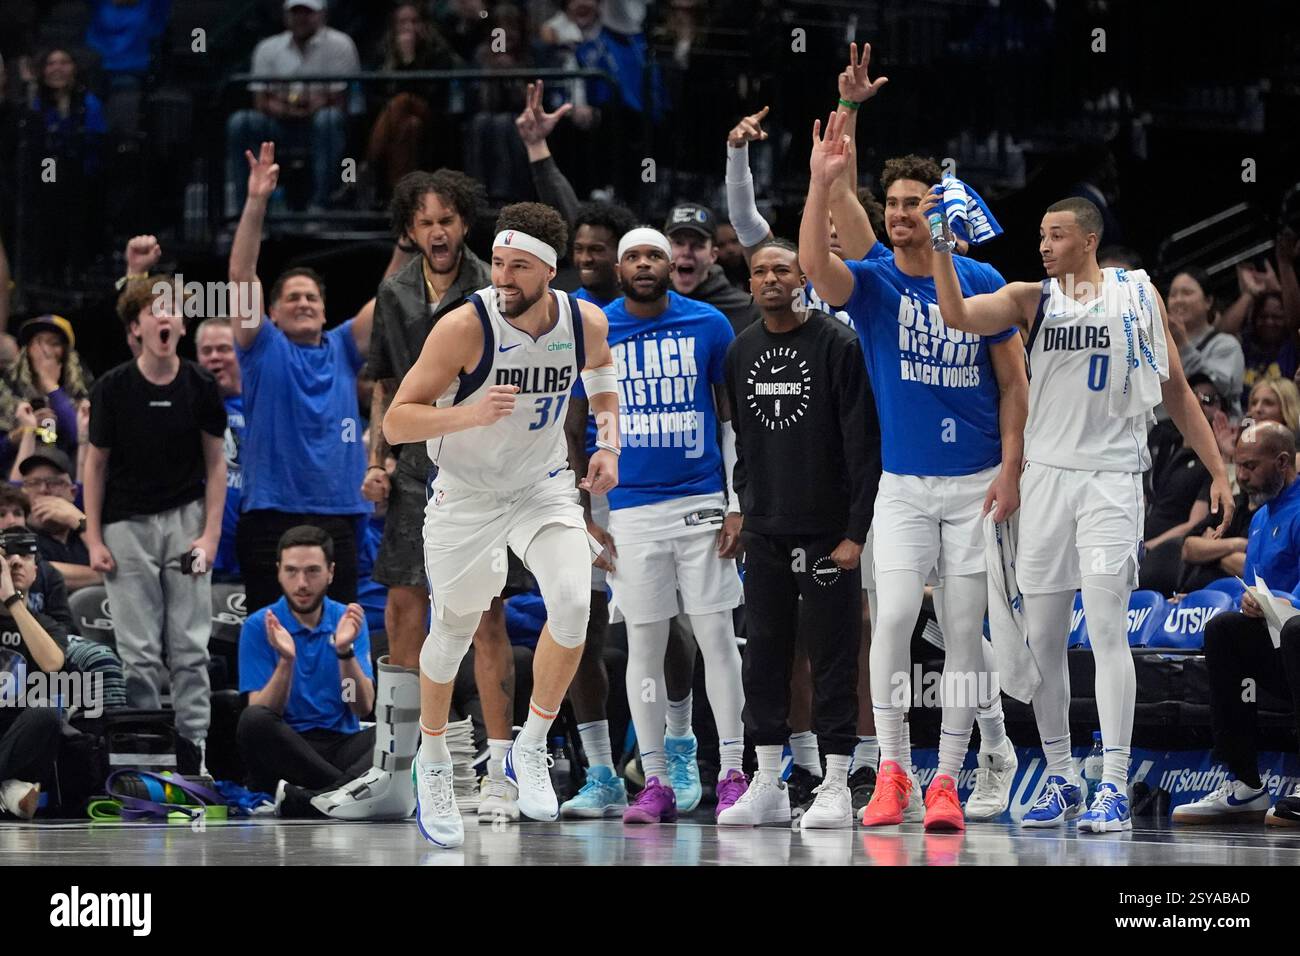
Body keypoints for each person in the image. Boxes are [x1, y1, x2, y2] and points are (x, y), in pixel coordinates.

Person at [931, 194, 1232, 833]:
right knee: (1043, 641)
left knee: (1104, 628)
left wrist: (1217, 468)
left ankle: (1114, 782)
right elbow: (955, 312)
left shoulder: (1138, 296)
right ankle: (1065, 776)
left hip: (1111, 482)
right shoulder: (1030, 299)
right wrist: (940, 243)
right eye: (1040, 234)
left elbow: (1176, 390)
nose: (1044, 245)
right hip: (1045, 479)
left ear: (1088, 240)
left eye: (1056, 234)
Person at [802, 109, 1025, 831]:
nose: (899, 215)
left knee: (962, 635)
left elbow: (1015, 383)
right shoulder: (872, 286)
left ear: (941, 210)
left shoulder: (983, 277)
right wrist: (820, 182)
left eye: (913, 204)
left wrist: (1012, 470)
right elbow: (813, 265)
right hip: (901, 487)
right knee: (894, 619)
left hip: (974, 485)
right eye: (892, 204)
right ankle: (893, 770)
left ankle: (949, 781)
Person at [383, 201, 619, 848]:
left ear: (549, 271)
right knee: (455, 627)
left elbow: (601, 377)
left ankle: (531, 745)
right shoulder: (464, 326)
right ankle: (433, 759)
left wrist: (607, 444)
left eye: (519, 266)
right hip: (464, 497)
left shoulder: (583, 318)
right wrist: (470, 413)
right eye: (499, 263)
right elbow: (396, 421)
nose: (502, 276)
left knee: (572, 604)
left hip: (541, 489)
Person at [316, 169, 523, 823]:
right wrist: (375, 460)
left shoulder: (495, 290)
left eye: (448, 219)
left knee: (484, 619)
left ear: (465, 225)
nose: (438, 231)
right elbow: (381, 386)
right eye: (425, 221)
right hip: (411, 473)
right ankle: (402, 770)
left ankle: (500, 774)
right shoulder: (394, 292)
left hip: (482, 474)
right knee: (404, 616)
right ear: (410, 230)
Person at [717, 238, 880, 828]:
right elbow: (744, 445)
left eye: (781, 269)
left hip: (828, 533)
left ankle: (837, 781)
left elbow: (864, 446)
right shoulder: (741, 350)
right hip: (765, 531)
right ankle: (766, 781)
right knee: (763, 656)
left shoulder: (839, 344)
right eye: (759, 271)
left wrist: (855, 533)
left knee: (833, 656)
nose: (769, 279)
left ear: (803, 277)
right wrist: (746, 508)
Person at [594, 228, 748, 825]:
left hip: (702, 500)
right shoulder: (596, 327)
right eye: (633, 255)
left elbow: (732, 420)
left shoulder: (710, 324)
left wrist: (736, 500)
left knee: (716, 640)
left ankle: (733, 771)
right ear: (618, 267)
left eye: (654, 255)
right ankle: (654, 778)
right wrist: (590, 517)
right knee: (645, 647)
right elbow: (578, 422)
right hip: (630, 510)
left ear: (671, 266)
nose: (644, 264)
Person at [83, 275, 227, 776]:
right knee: (139, 653)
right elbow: (94, 464)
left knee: (189, 649)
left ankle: (195, 756)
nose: (164, 318)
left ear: (181, 325)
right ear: (137, 325)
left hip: (186, 522)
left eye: (172, 311)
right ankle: (145, 755)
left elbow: (215, 465)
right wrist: (94, 536)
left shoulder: (201, 385)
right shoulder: (113, 387)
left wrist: (209, 536)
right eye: (153, 310)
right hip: (127, 526)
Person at [228, 141, 374, 612]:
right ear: (271, 311)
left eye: (311, 297)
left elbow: (394, 290)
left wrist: (417, 235)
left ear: (326, 309)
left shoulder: (345, 345)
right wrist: (256, 202)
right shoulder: (262, 345)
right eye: (292, 297)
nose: (304, 303)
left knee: (341, 639)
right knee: (269, 637)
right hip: (271, 514)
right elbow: (241, 271)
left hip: (341, 515)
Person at [1172, 422, 1300, 826]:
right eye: (1237, 466)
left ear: (1282, 462)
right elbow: (1259, 582)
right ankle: (1245, 784)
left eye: (1250, 466)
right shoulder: (1261, 518)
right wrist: (1252, 601)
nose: (1240, 477)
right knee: (1224, 629)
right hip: (1283, 649)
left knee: (1297, 629)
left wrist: (1289, 602)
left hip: (1298, 636)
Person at [237, 525, 375, 816]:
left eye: (312, 571)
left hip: (340, 744)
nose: (301, 583)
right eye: (291, 571)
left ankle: (312, 799)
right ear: (278, 571)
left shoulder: (347, 619)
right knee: (253, 721)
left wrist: (344, 652)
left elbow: (361, 707)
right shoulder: (260, 624)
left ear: (331, 572)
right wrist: (286, 661)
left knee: (408, 731)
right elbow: (262, 711)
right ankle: (342, 795)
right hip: (287, 747)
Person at [225, 0, 360, 213]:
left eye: (308, 12)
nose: (301, 18)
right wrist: (301, 105)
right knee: (241, 122)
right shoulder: (267, 48)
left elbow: (338, 99)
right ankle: (247, 209)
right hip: (278, 126)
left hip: (321, 126)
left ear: (322, 14)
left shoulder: (341, 44)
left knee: (329, 119)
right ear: (286, 15)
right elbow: (261, 102)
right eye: (295, 12)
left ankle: (320, 206)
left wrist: (286, 102)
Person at [0, 536, 65, 819]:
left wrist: (12, 600)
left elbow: (52, 663)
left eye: (25, 556)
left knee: (47, 712)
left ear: (37, 571)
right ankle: (9, 791)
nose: (15, 562)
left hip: (17, 734)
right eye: (7, 555)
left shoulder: (48, 625)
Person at [0, 315, 93, 478]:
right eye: (38, 341)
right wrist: (17, 436)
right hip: (15, 483)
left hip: (65, 479)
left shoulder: (80, 390)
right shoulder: (8, 389)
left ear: (65, 352)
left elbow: (81, 437)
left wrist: (50, 385)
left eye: (54, 343)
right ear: (27, 349)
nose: (45, 350)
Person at [195, 318, 244, 582]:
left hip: (256, 547)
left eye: (224, 349)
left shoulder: (264, 402)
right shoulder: (187, 408)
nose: (215, 357)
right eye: (206, 351)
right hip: (200, 545)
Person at [663, 202, 759, 337]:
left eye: (697, 245)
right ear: (664, 250)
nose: (686, 252)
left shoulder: (746, 310)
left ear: (713, 255)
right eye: (678, 243)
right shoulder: (645, 307)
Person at [1166, 266, 1245, 417]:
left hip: (1216, 432)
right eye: (1173, 295)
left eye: (1187, 293)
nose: (1178, 300)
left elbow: (1215, 388)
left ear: (1208, 301)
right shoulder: (1160, 346)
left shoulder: (1226, 345)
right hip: (1169, 433)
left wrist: (1182, 344)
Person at [18, 447, 98, 592]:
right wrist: (106, 576)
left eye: (54, 482)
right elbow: (37, 572)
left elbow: (119, 561)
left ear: (73, 493)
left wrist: (78, 520)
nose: (43, 490)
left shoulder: (84, 529)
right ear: (24, 493)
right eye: (34, 483)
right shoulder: (19, 531)